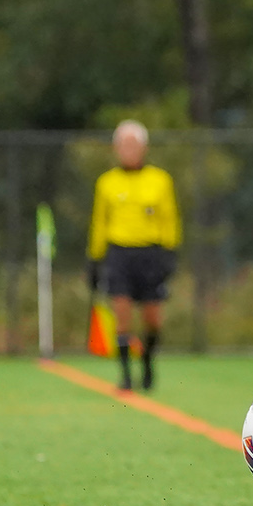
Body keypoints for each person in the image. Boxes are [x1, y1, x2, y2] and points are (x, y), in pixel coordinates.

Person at [87, 120, 180, 392]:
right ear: (116, 149)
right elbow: (99, 222)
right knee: (122, 314)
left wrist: (169, 254)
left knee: (152, 319)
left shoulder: (160, 180)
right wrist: (94, 258)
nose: (128, 150)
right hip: (119, 255)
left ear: (144, 148)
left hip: (150, 254)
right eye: (123, 145)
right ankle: (126, 375)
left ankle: (148, 363)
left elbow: (169, 219)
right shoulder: (107, 182)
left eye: (133, 144)